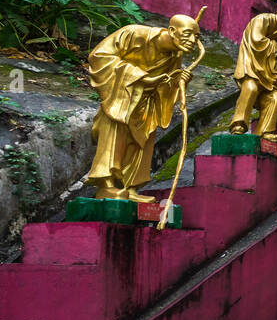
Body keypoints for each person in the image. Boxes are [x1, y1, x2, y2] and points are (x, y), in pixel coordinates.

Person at [86, 14, 201, 202]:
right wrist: (139, 77)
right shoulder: (134, 34)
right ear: (172, 31)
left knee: (143, 142)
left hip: (147, 103)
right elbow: (99, 56)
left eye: (197, 37)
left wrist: (181, 81)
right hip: (123, 98)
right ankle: (106, 185)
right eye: (188, 34)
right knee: (115, 132)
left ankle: (130, 188)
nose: (193, 41)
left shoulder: (175, 55)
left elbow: (169, 85)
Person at [230, 2, 277, 139]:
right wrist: (275, 45)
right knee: (250, 88)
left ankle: (265, 132)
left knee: (275, 99)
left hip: (266, 72)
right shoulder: (262, 19)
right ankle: (239, 124)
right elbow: (256, 40)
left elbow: (270, 56)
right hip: (251, 66)